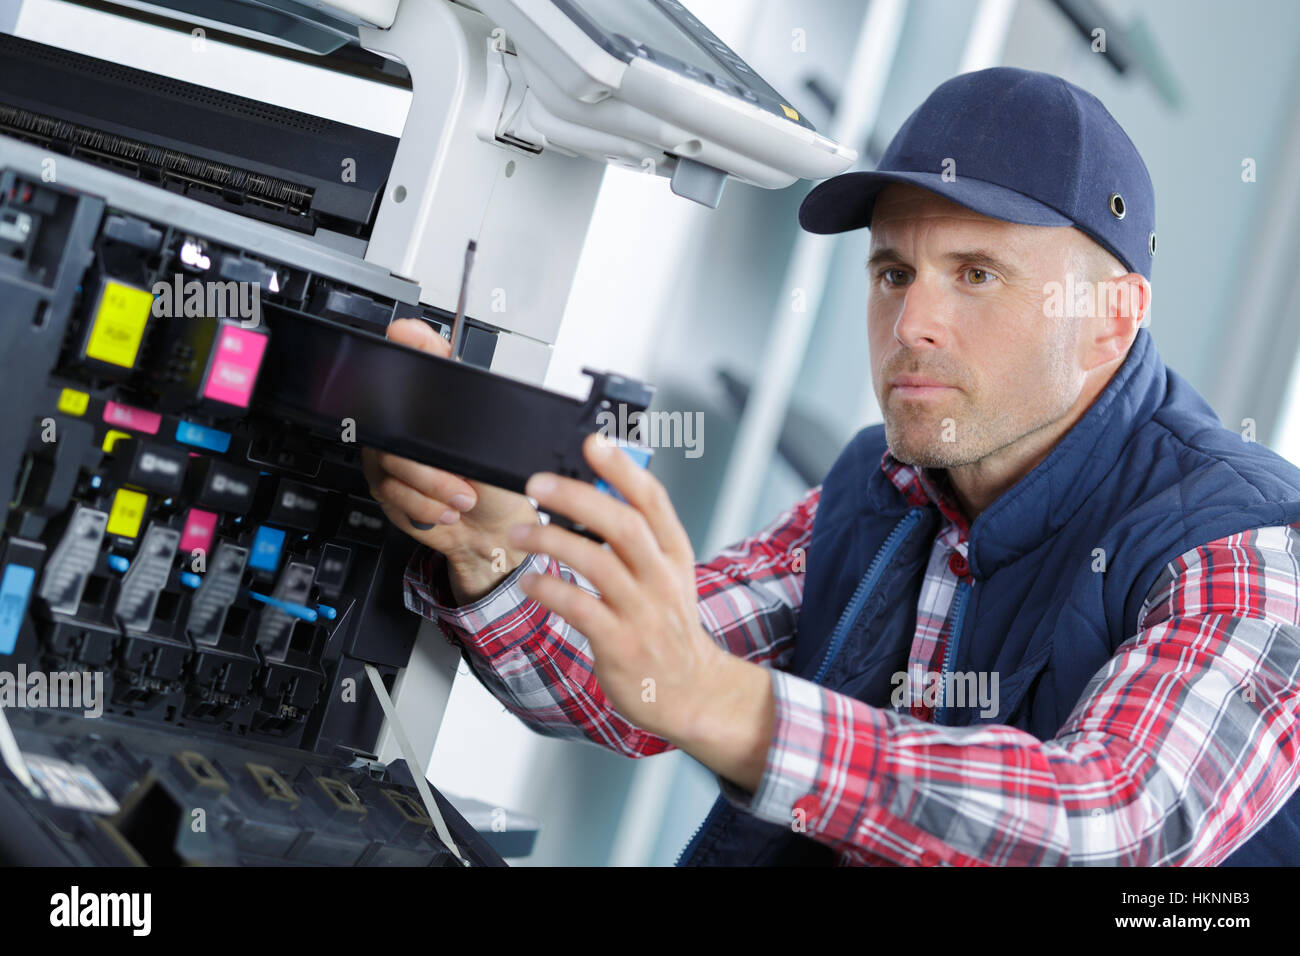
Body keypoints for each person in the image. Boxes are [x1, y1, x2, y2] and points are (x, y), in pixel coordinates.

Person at [362, 67, 1300, 866]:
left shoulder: (1245, 545)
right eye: (894, 272)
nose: (912, 325)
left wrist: (735, 710)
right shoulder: (881, 490)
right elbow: (640, 682)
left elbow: (1115, 823)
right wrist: (490, 551)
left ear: (1113, 316)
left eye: (976, 274)